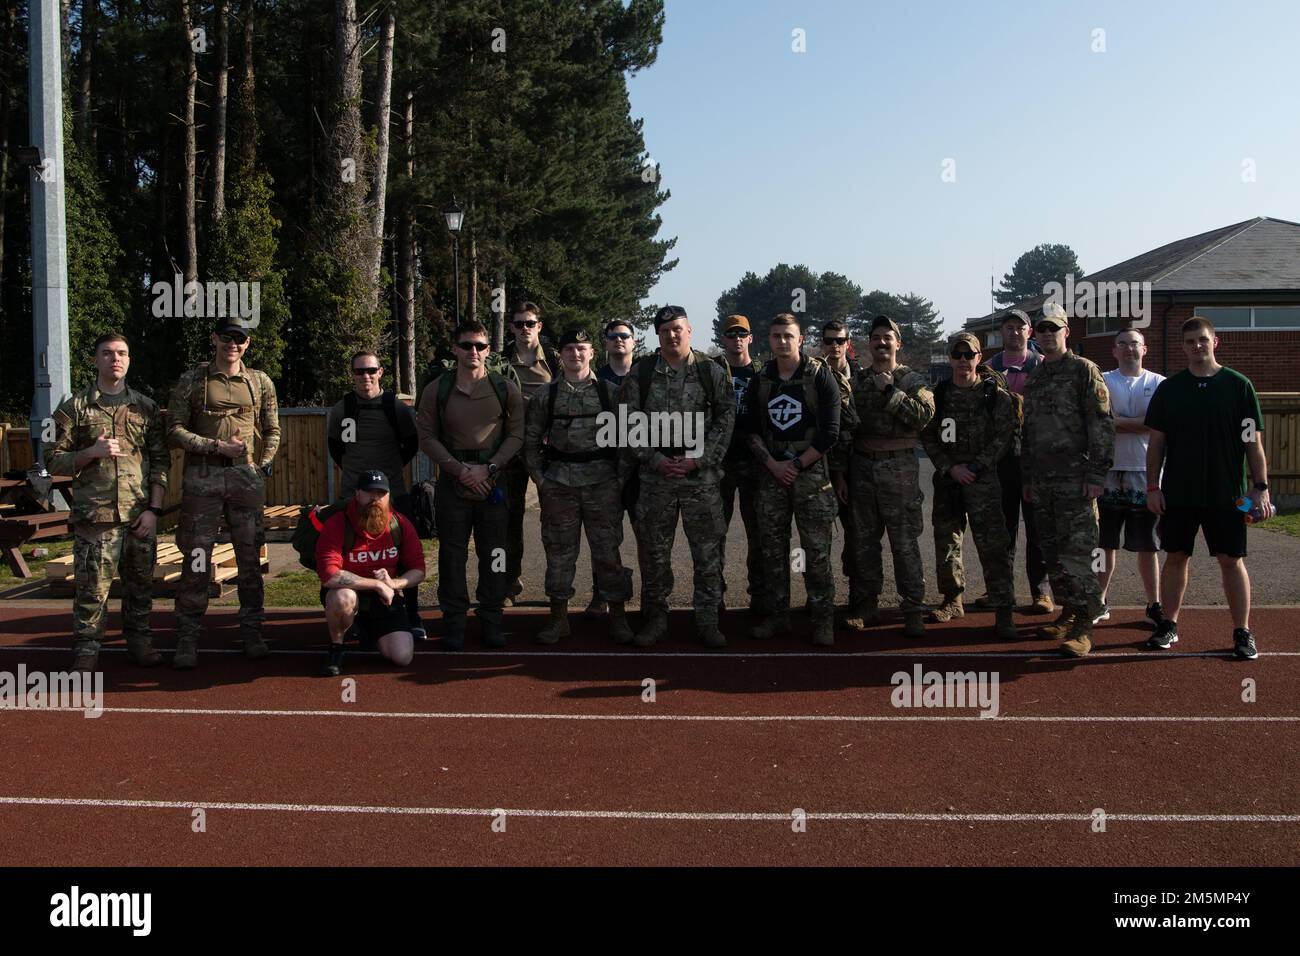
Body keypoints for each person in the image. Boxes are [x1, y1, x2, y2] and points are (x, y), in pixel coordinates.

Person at [1144, 316, 1272, 660]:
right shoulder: (1169, 389)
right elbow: (1156, 443)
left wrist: (1260, 488)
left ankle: (1243, 632)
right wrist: (1152, 488)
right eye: (1189, 341)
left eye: (1202, 339)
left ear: (1215, 341)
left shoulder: (1238, 386)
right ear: (1183, 346)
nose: (1196, 346)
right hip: (1178, 492)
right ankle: (1168, 625)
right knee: (1175, 557)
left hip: (1229, 495)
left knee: (1232, 560)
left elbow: (1253, 442)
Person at [46, 333, 170, 671]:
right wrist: (90, 453)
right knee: (92, 592)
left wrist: (154, 510)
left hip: (139, 515)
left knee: (141, 589)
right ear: (95, 359)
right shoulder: (73, 407)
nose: (116, 359)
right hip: (95, 517)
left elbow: (161, 462)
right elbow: (51, 459)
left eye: (122, 353)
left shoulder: (145, 407)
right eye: (107, 353)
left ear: (129, 360)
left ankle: (140, 643)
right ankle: (86, 653)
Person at [166, 317, 280, 669]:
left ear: (247, 344)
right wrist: (214, 446)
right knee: (197, 560)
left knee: (249, 559)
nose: (233, 344)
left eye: (240, 339)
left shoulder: (260, 382)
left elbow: (272, 429)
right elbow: (174, 430)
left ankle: (251, 632)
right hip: (203, 482)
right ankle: (187, 637)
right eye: (227, 338)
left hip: (245, 483)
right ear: (214, 339)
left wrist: (260, 466)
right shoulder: (192, 380)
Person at [620, 305, 734, 648]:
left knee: (707, 554)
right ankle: (656, 620)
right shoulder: (640, 374)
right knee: (655, 554)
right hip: (657, 479)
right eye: (666, 330)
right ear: (658, 334)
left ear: (690, 331)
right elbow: (627, 422)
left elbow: (726, 420)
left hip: (701, 479)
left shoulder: (710, 371)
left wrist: (699, 460)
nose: (672, 335)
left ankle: (708, 621)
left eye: (678, 329)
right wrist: (653, 459)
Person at [416, 320, 525, 649]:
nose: (473, 351)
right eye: (466, 345)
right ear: (455, 349)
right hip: (453, 482)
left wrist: (489, 469)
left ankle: (491, 618)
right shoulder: (438, 388)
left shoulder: (505, 387)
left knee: (495, 554)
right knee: (452, 555)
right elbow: (426, 436)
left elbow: (517, 435)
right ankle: (454, 622)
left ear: (488, 350)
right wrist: (459, 470)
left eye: (479, 346)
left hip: (493, 482)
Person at [524, 328, 633, 644]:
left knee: (608, 553)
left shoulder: (610, 393)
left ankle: (619, 618)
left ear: (592, 352)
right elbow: (530, 441)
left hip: (602, 485)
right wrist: (540, 479)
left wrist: (620, 478)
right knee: (559, 554)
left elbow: (627, 440)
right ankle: (558, 620)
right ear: (560, 354)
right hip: (560, 485)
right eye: (569, 349)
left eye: (581, 348)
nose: (575, 354)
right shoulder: (547, 395)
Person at [1021, 303, 1114, 657]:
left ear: (1066, 332)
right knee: (1053, 555)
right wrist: (1028, 476)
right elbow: (1028, 432)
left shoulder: (1084, 371)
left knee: (1079, 555)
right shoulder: (1038, 377)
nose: (1047, 335)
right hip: (1043, 482)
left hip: (1077, 480)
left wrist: (1096, 474)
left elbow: (1102, 426)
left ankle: (1085, 627)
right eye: (1042, 330)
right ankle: (1068, 613)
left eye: (1053, 329)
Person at [741, 314, 840, 645]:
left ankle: (823, 619)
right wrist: (772, 464)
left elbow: (830, 433)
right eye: (776, 336)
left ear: (800, 339)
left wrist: (796, 464)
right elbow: (750, 430)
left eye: (788, 335)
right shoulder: (762, 379)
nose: (782, 341)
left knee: (817, 552)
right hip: (771, 475)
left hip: (810, 477)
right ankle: (777, 616)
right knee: (772, 551)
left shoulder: (820, 376)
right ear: (768, 340)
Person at [836, 315, 935, 638]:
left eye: (888, 337)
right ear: (869, 343)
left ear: (898, 343)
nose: (881, 342)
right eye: (876, 337)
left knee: (905, 545)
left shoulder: (913, 380)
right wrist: (842, 475)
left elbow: (923, 417)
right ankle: (866, 605)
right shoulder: (859, 382)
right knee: (864, 544)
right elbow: (847, 429)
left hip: (900, 470)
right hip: (863, 467)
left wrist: (891, 391)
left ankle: (912, 609)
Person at [920, 333, 1018, 640]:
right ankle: (953, 599)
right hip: (950, 479)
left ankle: (1003, 611)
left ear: (979, 357)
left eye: (969, 355)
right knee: (947, 543)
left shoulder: (995, 396)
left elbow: (1004, 436)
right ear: (950, 358)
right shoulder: (939, 395)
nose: (963, 360)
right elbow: (927, 435)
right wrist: (951, 468)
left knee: (993, 547)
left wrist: (975, 467)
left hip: (982, 479)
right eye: (957, 355)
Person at [326, 350, 424, 638]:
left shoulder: (397, 409)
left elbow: (410, 446)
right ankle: (353, 617)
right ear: (352, 374)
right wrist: (358, 480)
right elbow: (337, 449)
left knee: (403, 556)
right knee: (350, 555)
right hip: (352, 496)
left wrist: (386, 477)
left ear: (381, 372)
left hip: (393, 493)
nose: (365, 376)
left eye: (371, 370)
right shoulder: (343, 410)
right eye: (359, 371)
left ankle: (410, 613)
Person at [315, 470, 425, 676]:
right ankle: (337, 647)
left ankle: (368, 631)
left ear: (389, 496)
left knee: (402, 657)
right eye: (369, 493)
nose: (375, 499)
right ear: (357, 494)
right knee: (342, 598)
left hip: (385, 599)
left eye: (381, 493)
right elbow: (329, 576)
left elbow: (419, 571)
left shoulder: (399, 524)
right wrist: (377, 584)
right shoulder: (338, 523)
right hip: (350, 593)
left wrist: (394, 584)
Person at [1096, 329, 1165, 625]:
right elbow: (1101, 422)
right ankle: (1098, 601)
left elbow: (1157, 425)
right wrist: (1139, 423)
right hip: (1107, 472)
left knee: (1147, 545)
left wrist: (1120, 422)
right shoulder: (1103, 380)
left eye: (1134, 344)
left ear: (1144, 349)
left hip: (1145, 473)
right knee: (1104, 544)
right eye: (1122, 344)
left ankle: (1154, 603)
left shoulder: (1159, 383)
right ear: (1114, 350)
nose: (1128, 349)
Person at [984, 308, 1050, 613]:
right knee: (1002, 529)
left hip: (1036, 459)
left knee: (1038, 528)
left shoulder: (1045, 366)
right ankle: (1000, 589)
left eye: (1019, 327)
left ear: (1029, 332)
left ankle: (1040, 591)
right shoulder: (988, 369)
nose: (1014, 332)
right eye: (1008, 327)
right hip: (1001, 460)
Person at [501, 301, 560, 605]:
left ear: (540, 326)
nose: (524, 329)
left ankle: (557, 587)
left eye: (530, 323)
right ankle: (508, 583)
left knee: (554, 520)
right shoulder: (499, 361)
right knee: (509, 519)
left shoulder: (554, 360)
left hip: (545, 451)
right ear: (511, 327)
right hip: (509, 452)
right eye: (519, 323)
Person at [584, 318, 641, 616]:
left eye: (625, 335)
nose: (619, 340)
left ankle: (652, 596)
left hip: (642, 473)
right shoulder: (593, 379)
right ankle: (601, 593)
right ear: (605, 343)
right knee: (604, 538)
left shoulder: (646, 376)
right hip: (605, 470)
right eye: (613, 336)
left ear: (634, 341)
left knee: (648, 537)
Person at [714, 314, 766, 614]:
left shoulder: (763, 373)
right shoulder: (711, 371)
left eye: (741, 334)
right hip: (719, 464)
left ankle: (759, 596)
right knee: (714, 534)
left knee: (758, 535)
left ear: (750, 338)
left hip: (755, 464)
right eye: (731, 334)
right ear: (723, 338)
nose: (736, 339)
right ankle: (715, 596)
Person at [820, 319, 862, 604]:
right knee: (818, 541)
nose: (835, 346)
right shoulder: (812, 375)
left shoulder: (863, 377)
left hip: (858, 469)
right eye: (829, 340)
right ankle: (821, 601)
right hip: (820, 470)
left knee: (859, 538)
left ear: (848, 344)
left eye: (840, 340)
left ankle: (858, 600)